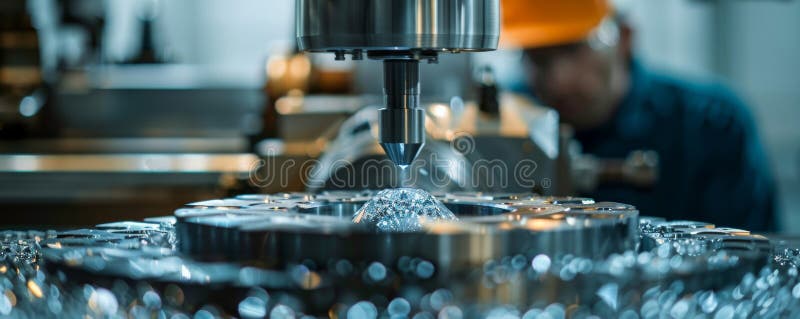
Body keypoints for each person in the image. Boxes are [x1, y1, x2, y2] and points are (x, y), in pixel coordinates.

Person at [502, 0, 776, 231]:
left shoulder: (711, 125)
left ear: (624, 38)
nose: (558, 80)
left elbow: (752, 255)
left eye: (573, 49)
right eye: (538, 58)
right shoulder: (503, 125)